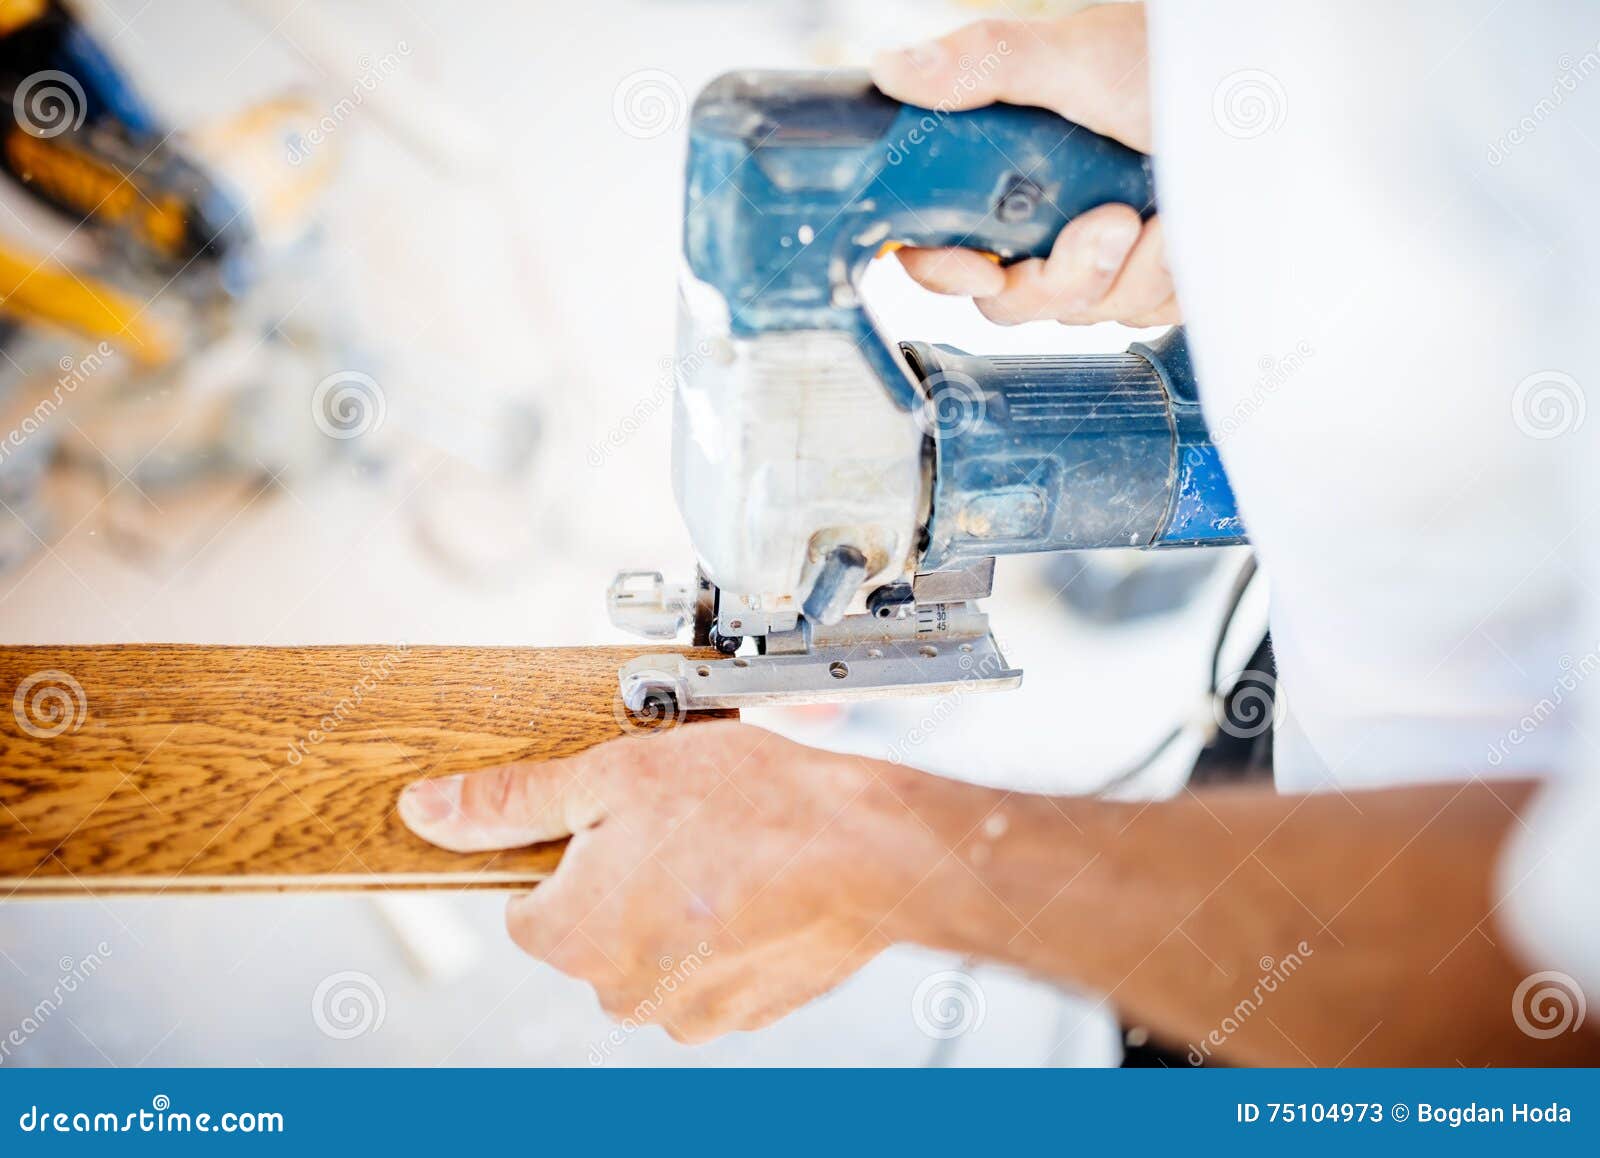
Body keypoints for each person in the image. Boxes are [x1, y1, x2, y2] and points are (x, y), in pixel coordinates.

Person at [397, 2, 1600, 1064]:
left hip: (1407, 961)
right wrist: (1221, 95)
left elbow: (1551, 1001)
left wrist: (868, 854)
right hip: (1320, 699)